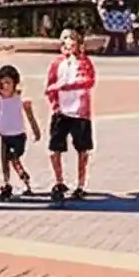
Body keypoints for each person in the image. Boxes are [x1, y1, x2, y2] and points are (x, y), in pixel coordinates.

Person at [45, 28, 96, 204]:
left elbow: (88, 81)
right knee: (55, 148)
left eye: (73, 39)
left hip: (79, 112)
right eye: (66, 39)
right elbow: (50, 84)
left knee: (82, 149)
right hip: (61, 111)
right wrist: (54, 101)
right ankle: (59, 181)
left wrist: (65, 86)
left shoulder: (84, 62)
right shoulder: (57, 63)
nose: (70, 42)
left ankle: (80, 185)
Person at [0, 64, 42, 201]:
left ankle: (25, 180)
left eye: (8, 83)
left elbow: (30, 115)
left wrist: (36, 131)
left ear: (15, 83)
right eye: (2, 83)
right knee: (5, 161)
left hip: (18, 135)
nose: (4, 86)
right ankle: (6, 183)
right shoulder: (0, 99)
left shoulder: (20, 98)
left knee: (14, 158)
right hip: (4, 135)